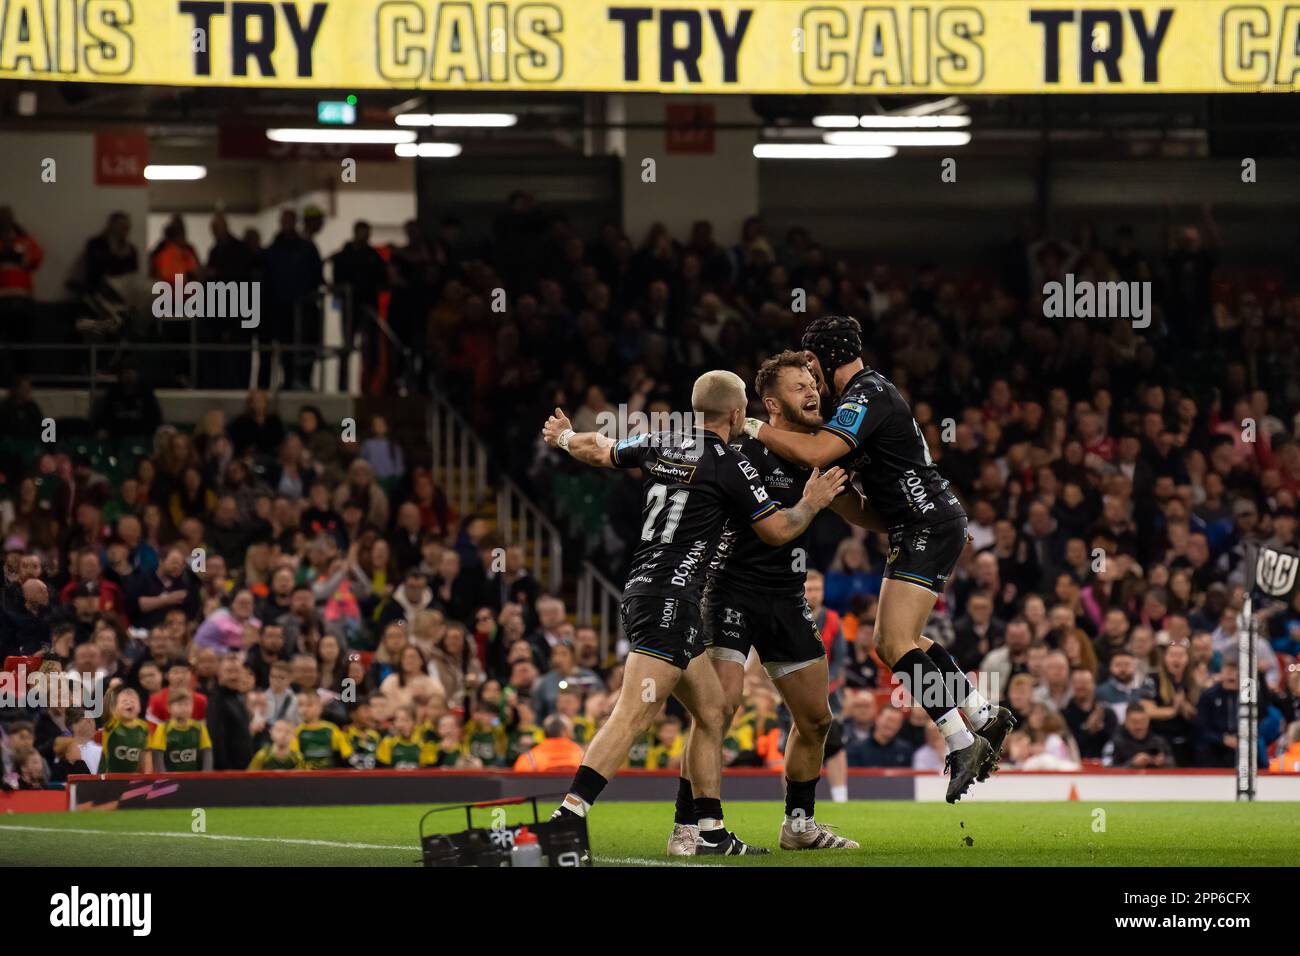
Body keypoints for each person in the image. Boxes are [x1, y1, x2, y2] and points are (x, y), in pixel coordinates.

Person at [542, 368, 847, 855]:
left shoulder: (661, 441)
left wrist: (563, 438)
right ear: (735, 412)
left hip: (655, 594)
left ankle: (709, 830)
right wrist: (810, 503)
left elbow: (598, 448)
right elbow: (777, 530)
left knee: (713, 711)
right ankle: (567, 816)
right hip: (669, 600)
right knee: (633, 714)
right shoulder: (728, 463)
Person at [745, 315, 1012, 801]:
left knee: (892, 641)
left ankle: (961, 738)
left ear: (824, 358)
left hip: (926, 525)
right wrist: (828, 490)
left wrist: (759, 431)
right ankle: (980, 715)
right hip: (919, 525)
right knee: (897, 642)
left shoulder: (867, 393)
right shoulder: (858, 403)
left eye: (812, 366)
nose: (812, 379)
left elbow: (819, 448)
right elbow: (864, 511)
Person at [671, 352, 876, 854]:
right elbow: (771, 530)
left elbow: (862, 513)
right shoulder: (738, 451)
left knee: (817, 720)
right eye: (800, 386)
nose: (813, 392)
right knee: (716, 712)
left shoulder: (822, 452)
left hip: (787, 596)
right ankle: (689, 826)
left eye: (814, 383)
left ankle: (798, 825)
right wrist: (810, 502)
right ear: (769, 403)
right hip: (731, 591)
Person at [146, 690, 213, 772]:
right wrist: (163, 776)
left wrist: (206, 773)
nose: (183, 708)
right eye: (179, 704)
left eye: (187, 704)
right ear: (169, 708)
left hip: (194, 778)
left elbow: (207, 751)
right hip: (171, 779)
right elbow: (157, 753)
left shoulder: (199, 727)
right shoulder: (163, 728)